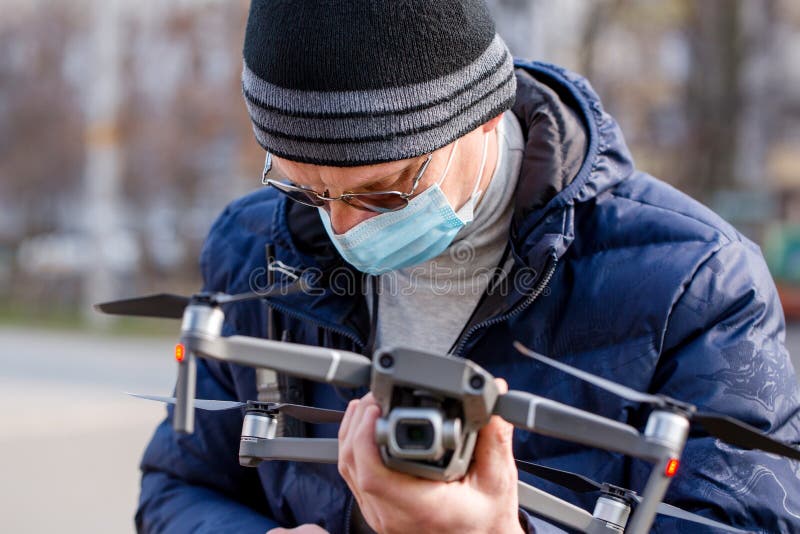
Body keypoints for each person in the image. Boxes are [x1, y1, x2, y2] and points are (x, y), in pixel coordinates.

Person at [135, 1, 800, 533]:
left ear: (483, 114)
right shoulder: (256, 248)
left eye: (381, 193)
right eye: (306, 190)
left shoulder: (697, 286)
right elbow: (176, 488)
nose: (341, 228)